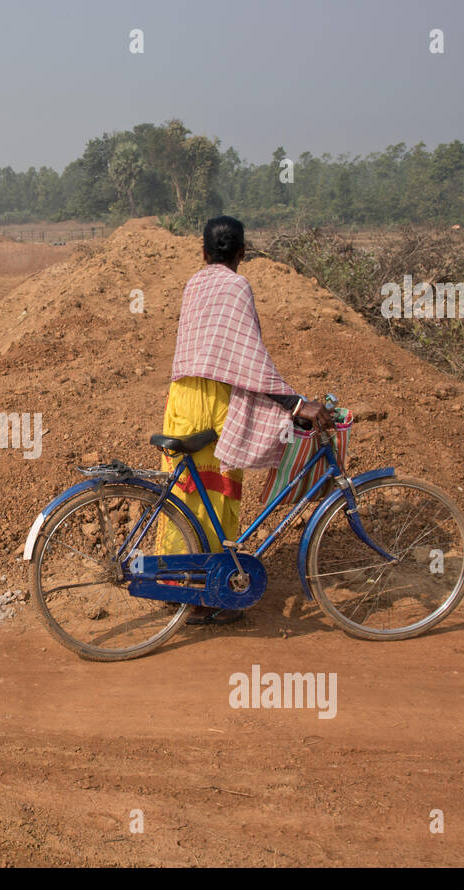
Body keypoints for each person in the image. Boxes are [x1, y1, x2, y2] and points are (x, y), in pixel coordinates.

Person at [158, 215, 333, 625]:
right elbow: (249, 360)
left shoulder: (194, 283)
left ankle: (176, 585)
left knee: (184, 492)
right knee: (216, 494)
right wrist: (295, 404)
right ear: (242, 253)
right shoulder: (238, 285)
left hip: (182, 395)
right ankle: (205, 593)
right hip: (218, 399)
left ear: (203, 253)